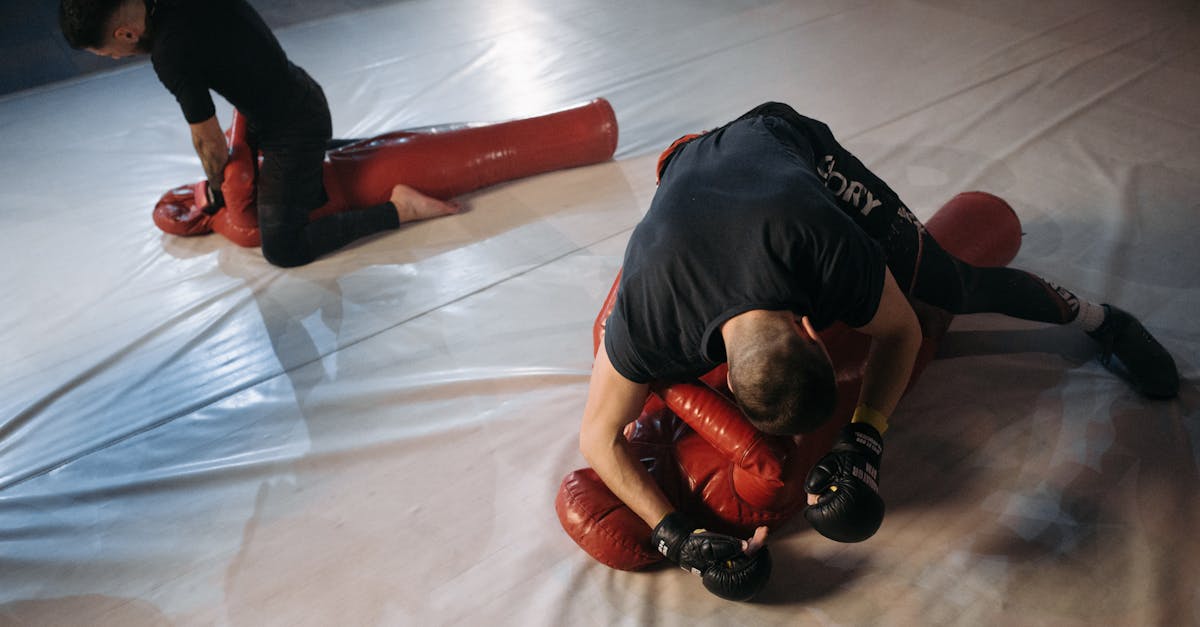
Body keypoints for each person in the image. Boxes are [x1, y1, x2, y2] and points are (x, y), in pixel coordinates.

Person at [578, 102, 1180, 579]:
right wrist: (674, 533)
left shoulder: (830, 250)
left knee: (951, 286)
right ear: (811, 328)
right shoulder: (649, 320)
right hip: (684, 167)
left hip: (781, 142)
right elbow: (597, 438)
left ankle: (1106, 321)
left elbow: (903, 330)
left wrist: (866, 434)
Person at [59, 0, 459, 267]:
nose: (116, 59)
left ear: (125, 34)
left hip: (295, 125)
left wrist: (216, 189)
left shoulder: (169, 51)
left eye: (109, 54)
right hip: (285, 98)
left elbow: (208, 141)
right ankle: (341, 154)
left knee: (284, 248)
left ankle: (400, 209)